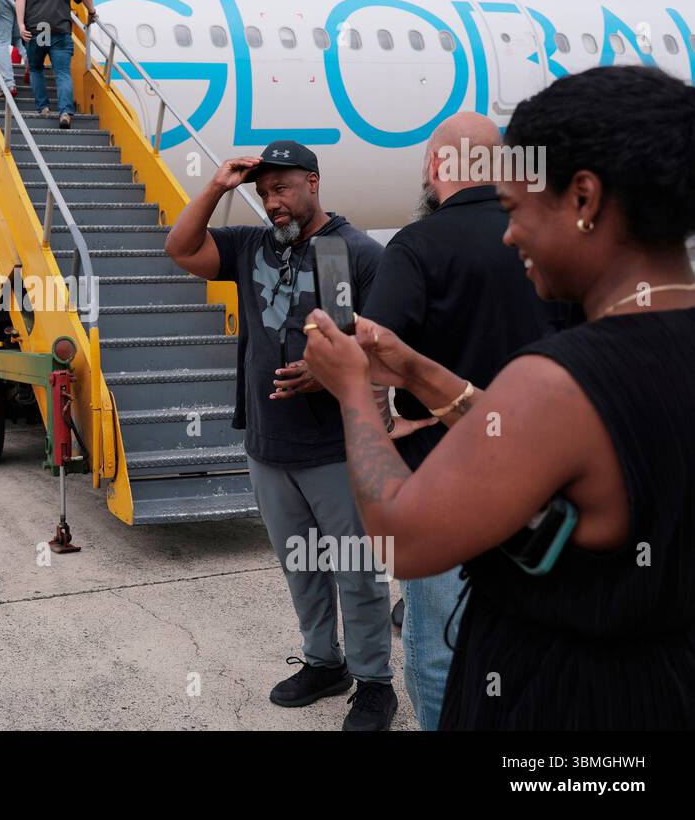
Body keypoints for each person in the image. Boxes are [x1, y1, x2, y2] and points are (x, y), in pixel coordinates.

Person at [301, 65, 695, 729]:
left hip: (561, 704)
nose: (509, 236)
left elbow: (405, 540)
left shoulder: (557, 380)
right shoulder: (643, 354)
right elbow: (563, 449)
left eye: (516, 210)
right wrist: (423, 373)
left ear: (584, 200)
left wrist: (351, 392)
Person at [165, 141, 398, 730]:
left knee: (357, 570)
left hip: (334, 447)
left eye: (284, 188)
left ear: (313, 183)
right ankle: (325, 662)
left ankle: (374, 683)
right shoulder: (250, 247)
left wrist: (328, 375)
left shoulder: (349, 252)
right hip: (268, 445)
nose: (274, 202)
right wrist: (218, 187)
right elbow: (181, 248)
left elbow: (382, 352)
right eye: (265, 192)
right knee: (301, 564)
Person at [360, 112, 562, 730]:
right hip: (545, 481)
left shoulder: (417, 246)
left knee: (439, 650)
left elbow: (372, 351)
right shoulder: (549, 241)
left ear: (439, 167)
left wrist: (393, 422)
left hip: (446, 488)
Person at [14, 0, 98, 128]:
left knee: (36, 69)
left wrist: (20, 25)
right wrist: (92, 13)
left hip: (36, 31)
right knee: (62, 73)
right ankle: (66, 112)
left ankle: (43, 107)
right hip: (59, 30)